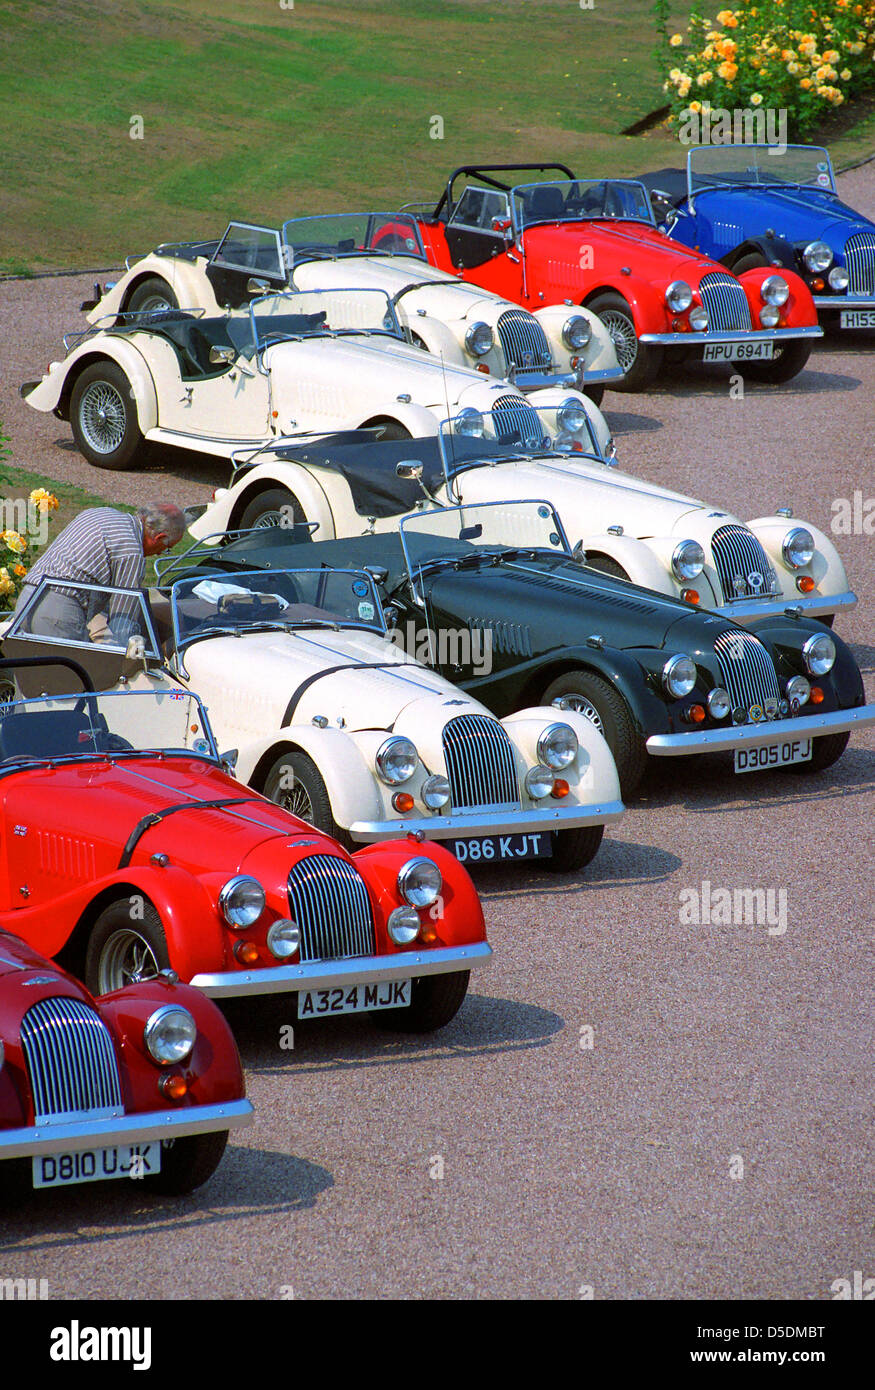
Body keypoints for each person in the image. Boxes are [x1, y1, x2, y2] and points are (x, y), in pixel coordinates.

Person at [14, 503, 185, 645]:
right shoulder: (131, 550)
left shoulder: (99, 513)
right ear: (159, 537)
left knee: (28, 676)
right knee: (72, 679)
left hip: (29, 597)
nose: (159, 554)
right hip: (59, 613)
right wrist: (132, 653)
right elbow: (122, 619)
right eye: (167, 548)